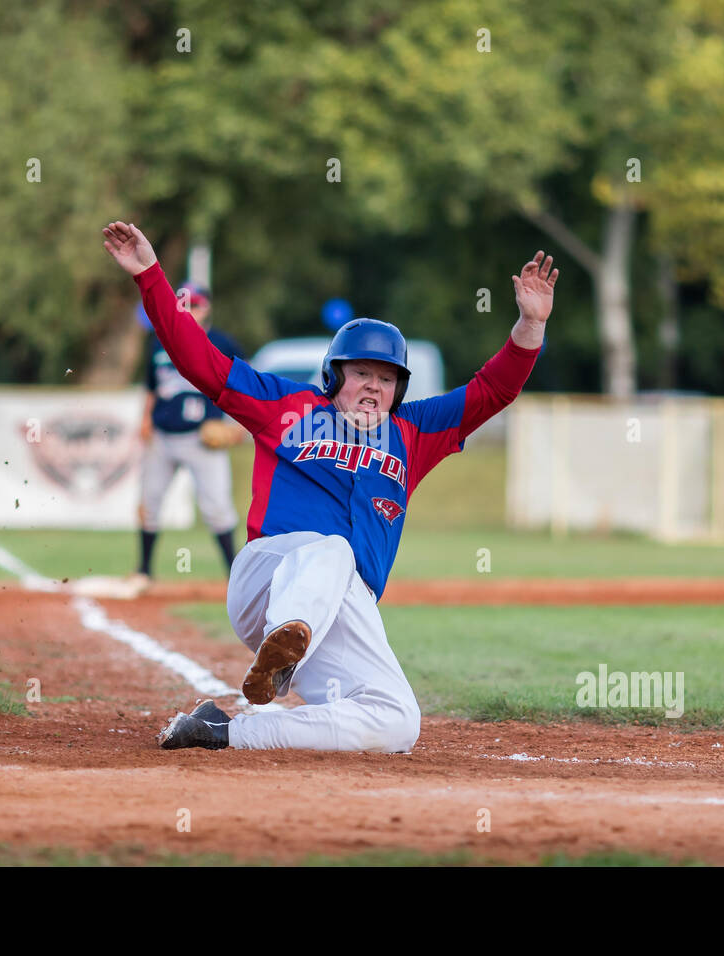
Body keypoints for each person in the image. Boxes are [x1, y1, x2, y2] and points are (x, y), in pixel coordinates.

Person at [103, 220, 557, 752]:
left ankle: (226, 730)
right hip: (270, 577)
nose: (374, 386)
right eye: (361, 372)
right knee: (333, 548)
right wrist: (151, 277)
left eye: (387, 378)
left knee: (396, 722)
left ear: (399, 390)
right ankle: (285, 639)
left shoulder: (413, 432)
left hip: (344, 602)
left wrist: (529, 324)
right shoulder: (287, 406)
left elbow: (493, 390)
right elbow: (197, 360)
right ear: (333, 376)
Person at [130, 283, 245, 592]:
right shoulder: (159, 341)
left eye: (195, 305)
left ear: (206, 307)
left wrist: (239, 426)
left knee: (217, 507)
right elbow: (152, 388)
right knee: (149, 502)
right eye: (185, 305)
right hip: (163, 435)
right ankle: (144, 571)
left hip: (202, 438)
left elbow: (245, 386)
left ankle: (235, 575)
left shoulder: (222, 342)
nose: (190, 311)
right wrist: (144, 420)